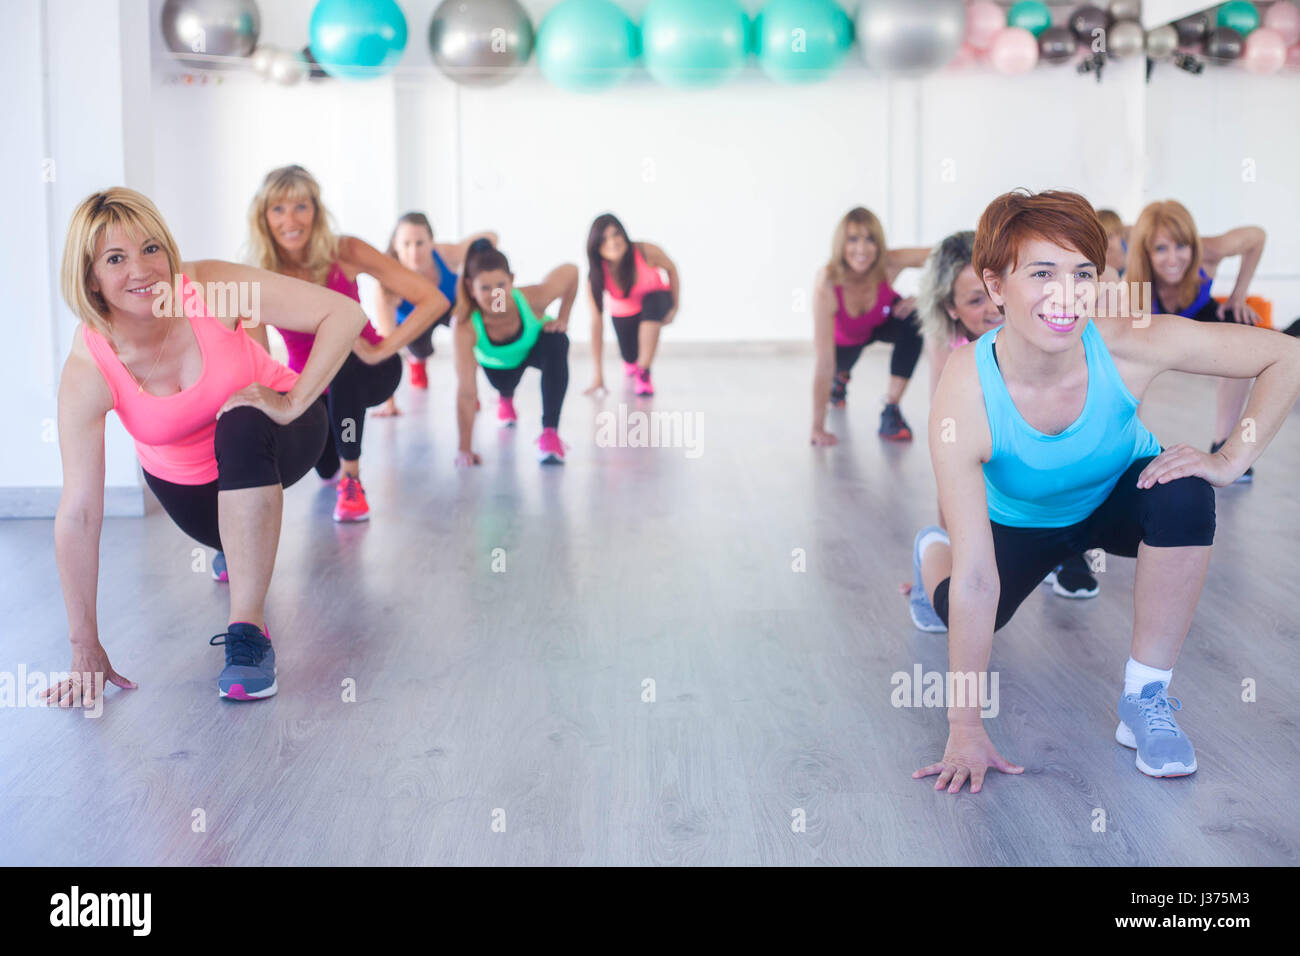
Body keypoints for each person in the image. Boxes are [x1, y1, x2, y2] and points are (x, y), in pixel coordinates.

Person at [909, 189, 1300, 791]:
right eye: (1042, 273)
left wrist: (1230, 458)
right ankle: (929, 547)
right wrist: (965, 728)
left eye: (1082, 273)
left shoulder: (1125, 341)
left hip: (1115, 496)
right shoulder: (964, 393)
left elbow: (1285, 357)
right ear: (995, 287)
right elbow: (979, 581)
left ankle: (1145, 699)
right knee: (953, 599)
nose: (1067, 294)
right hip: (1021, 522)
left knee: (1187, 493)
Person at [50, 187, 365, 704]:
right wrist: (84, 645)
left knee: (240, 421)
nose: (142, 270)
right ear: (90, 278)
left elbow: (343, 315)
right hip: (191, 493)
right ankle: (235, 545)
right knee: (229, 510)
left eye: (152, 248)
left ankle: (248, 634)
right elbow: (79, 512)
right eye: (115, 258)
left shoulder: (210, 287)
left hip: (285, 434)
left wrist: (292, 400)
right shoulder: (90, 367)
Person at [246, 165, 449, 520]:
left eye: (300, 207)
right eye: (278, 209)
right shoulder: (258, 276)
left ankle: (352, 480)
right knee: (324, 466)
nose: (290, 219)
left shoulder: (346, 250)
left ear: (316, 211)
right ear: (263, 217)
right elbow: (258, 357)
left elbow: (432, 299)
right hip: (311, 389)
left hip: (369, 368)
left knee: (342, 359)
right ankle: (333, 470)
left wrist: (383, 349)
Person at [917, 230, 1099, 599]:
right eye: (972, 300)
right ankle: (931, 549)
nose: (990, 307)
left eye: (993, 291)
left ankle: (1067, 544)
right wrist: (951, 558)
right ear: (951, 308)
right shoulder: (949, 351)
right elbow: (946, 450)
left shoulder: (1043, 324)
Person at [1126, 200, 1267, 483]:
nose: (1173, 258)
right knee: (1127, 351)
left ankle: (1224, 442)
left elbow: (1256, 236)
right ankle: (1127, 444)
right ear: (1145, 252)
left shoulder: (1210, 252)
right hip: (1154, 322)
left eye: (1181, 246)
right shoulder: (1132, 278)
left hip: (1197, 315)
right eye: (1161, 249)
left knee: (1243, 331)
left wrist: (1239, 294)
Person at [452, 239, 578, 465]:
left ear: (511, 280)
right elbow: (466, 392)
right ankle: (505, 400)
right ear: (471, 287)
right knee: (504, 385)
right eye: (485, 288)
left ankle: (550, 433)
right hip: (499, 365)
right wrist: (464, 449)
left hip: (532, 350)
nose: (495, 295)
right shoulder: (464, 325)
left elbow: (571, 272)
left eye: (501, 285)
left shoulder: (532, 298)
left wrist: (563, 319)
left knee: (557, 341)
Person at [810, 207, 928, 445]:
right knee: (838, 368)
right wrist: (817, 428)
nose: (862, 249)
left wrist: (925, 297)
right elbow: (823, 362)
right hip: (846, 341)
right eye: (853, 239)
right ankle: (840, 381)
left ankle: (891, 409)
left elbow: (949, 255)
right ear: (841, 244)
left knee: (915, 321)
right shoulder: (828, 283)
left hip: (882, 320)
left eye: (870, 239)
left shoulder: (889, 262)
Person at [374, 213, 497, 417]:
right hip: (415, 321)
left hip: (450, 306)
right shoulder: (386, 284)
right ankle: (417, 360)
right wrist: (389, 402)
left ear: (432, 242)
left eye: (420, 243)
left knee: (469, 332)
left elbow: (491, 236)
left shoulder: (445, 254)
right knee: (420, 350)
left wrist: (484, 258)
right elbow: (386, 345)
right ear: (395, 245)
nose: (414, 252)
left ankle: (470, 392)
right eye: (406, 244)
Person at [583, 213, 679, 397]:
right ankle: (632, 364)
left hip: (657, 302)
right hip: (624, 314)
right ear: (596, 247)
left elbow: (671, 268)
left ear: (624, 235)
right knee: (629, 358)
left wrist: (675, 306)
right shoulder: (596, 274)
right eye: (604, 239)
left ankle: (644, 373)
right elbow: (596, 322)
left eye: (615, 235)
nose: (612, 242)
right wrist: (598, 374)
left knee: (654, 300)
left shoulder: (645, 251)